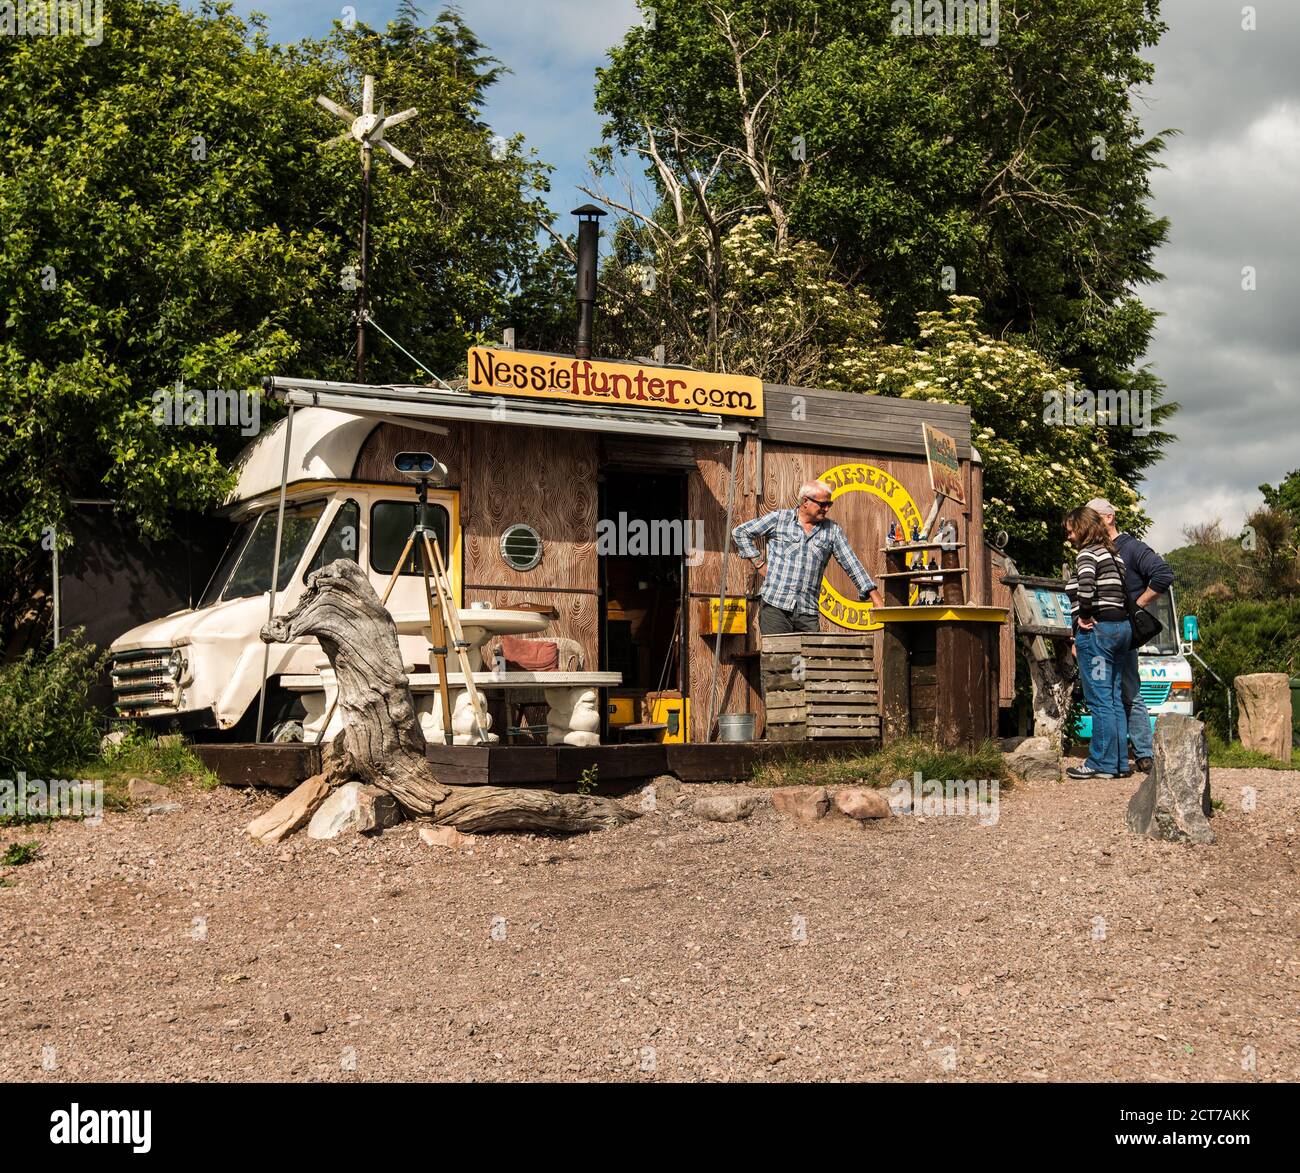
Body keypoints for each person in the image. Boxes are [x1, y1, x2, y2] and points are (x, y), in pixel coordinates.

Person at [1085, 497, 1174, 774]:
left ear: (1108, 518)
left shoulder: (1132, 548)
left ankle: (1143, 753)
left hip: (1121, 629)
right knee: (1109, 693)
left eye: (1092, 518)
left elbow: (1162, 574)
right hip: (1098, 631)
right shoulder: (1096, 550)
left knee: (1128, 691)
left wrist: (1138, 605)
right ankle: (1119, 757)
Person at [732, 480, 883, 635]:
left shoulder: (832, 531)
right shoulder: (779, 519)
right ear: (805, 501)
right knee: (776, 658)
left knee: (810, 658)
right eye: (823, 504)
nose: (827, 508)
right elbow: (740, 533)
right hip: (775, 607)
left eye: (829, 504)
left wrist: (875, 597)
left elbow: (852, 563)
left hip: (807, 613)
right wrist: (759, 563)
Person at [1064, 506, 1132, 780]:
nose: (1069, 536)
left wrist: (1084, 616)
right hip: (1120, 631)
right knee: (1114, 697)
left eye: (1071, 530)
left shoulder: (1087, 554)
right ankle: (1118, 764)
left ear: (1082, 528)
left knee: (1099, 698)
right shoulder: (1115, 556)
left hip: (1098, 633)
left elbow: (1087, 587)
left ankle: (1100, 763)